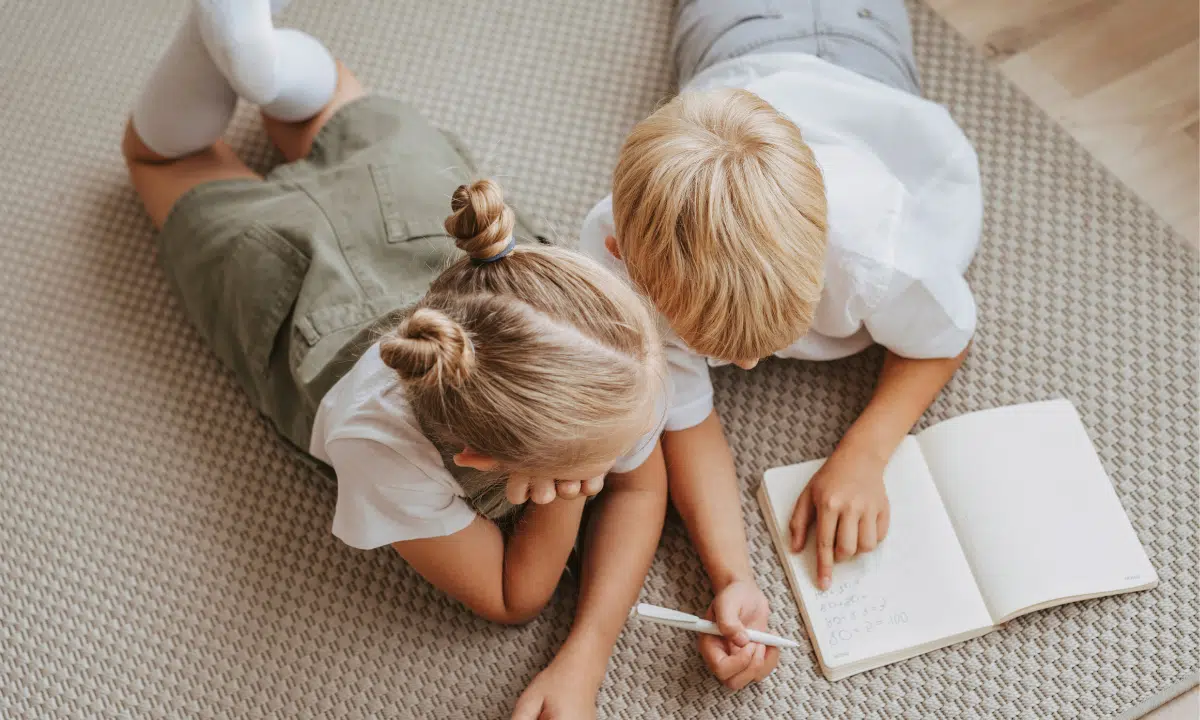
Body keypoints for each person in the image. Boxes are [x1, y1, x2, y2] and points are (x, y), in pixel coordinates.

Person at [121, 2, 670, 717]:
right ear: (475, 458)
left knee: (334, 114)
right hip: (290, 280)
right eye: (590, 468)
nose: (622, 460)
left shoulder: (597, 342)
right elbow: (513, 596)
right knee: (161, 158)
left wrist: (586, 654)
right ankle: (248, 57)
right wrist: (565, 501)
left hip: (415, 218)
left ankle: (262, 60)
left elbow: (641, 487)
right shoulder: (380, 449)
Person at [579, 0, 982, 690]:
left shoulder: (878, 250)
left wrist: (865, 451)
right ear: (624, 256)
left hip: (861, 46)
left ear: (823, 260)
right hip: (728, 42)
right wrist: (732, 574)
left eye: (768, 343)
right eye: (721, 348)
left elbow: (945, 339)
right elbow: (684, 415)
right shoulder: (616, 252)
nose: (742, 367)